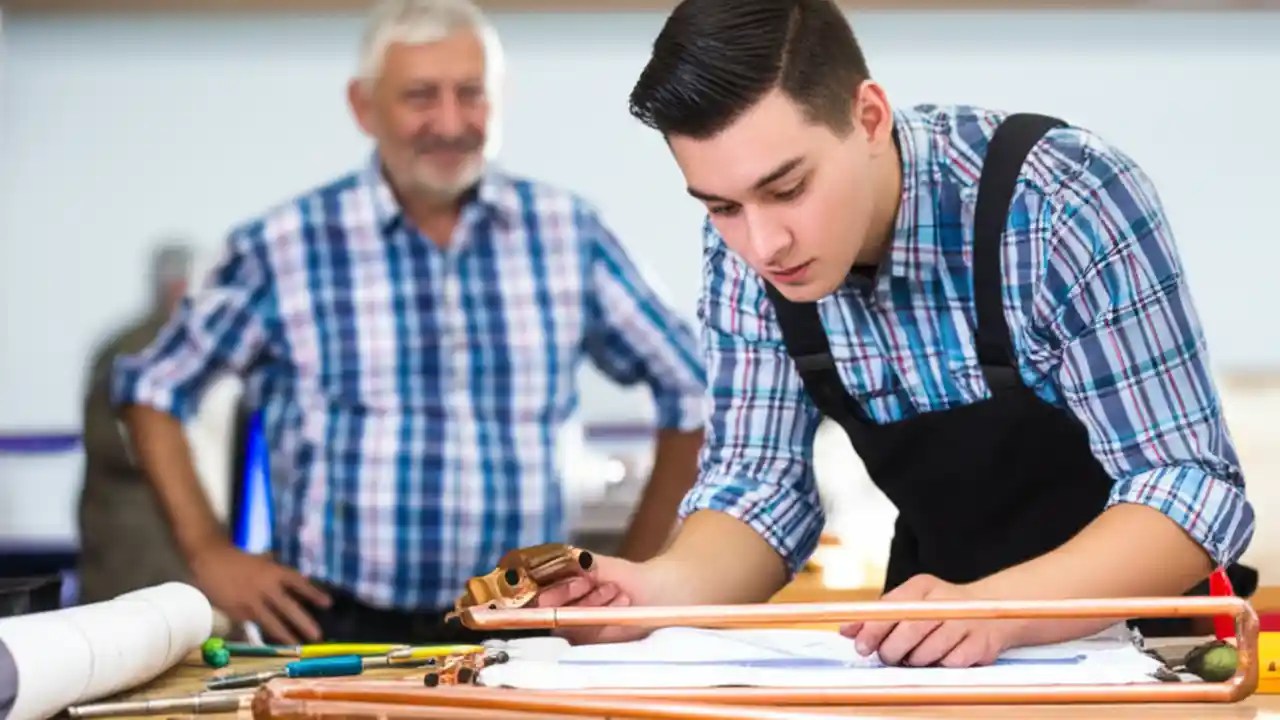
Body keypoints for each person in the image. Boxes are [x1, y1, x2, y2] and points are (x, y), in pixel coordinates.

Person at [534, 0, 1256, 667]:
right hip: (934, 651)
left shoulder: (1061, 201)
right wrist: (655, 594)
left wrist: (1000, 610)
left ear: (870, 116)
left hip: (1142, 651)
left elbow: (1191, 486)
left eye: (787, 189)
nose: (763, 244)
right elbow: (755, 489)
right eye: (722, 205)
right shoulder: (745, 251)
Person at [110, 0, 706, 646]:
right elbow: (152, 389)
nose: (450, 123)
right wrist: (208, 554)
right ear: (364, 106)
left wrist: (637, 573)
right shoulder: (286, 246)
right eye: (421, 96)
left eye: (470, 94)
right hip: (331, 625)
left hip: (522, 627)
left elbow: (694, 385)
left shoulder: (569, 235)